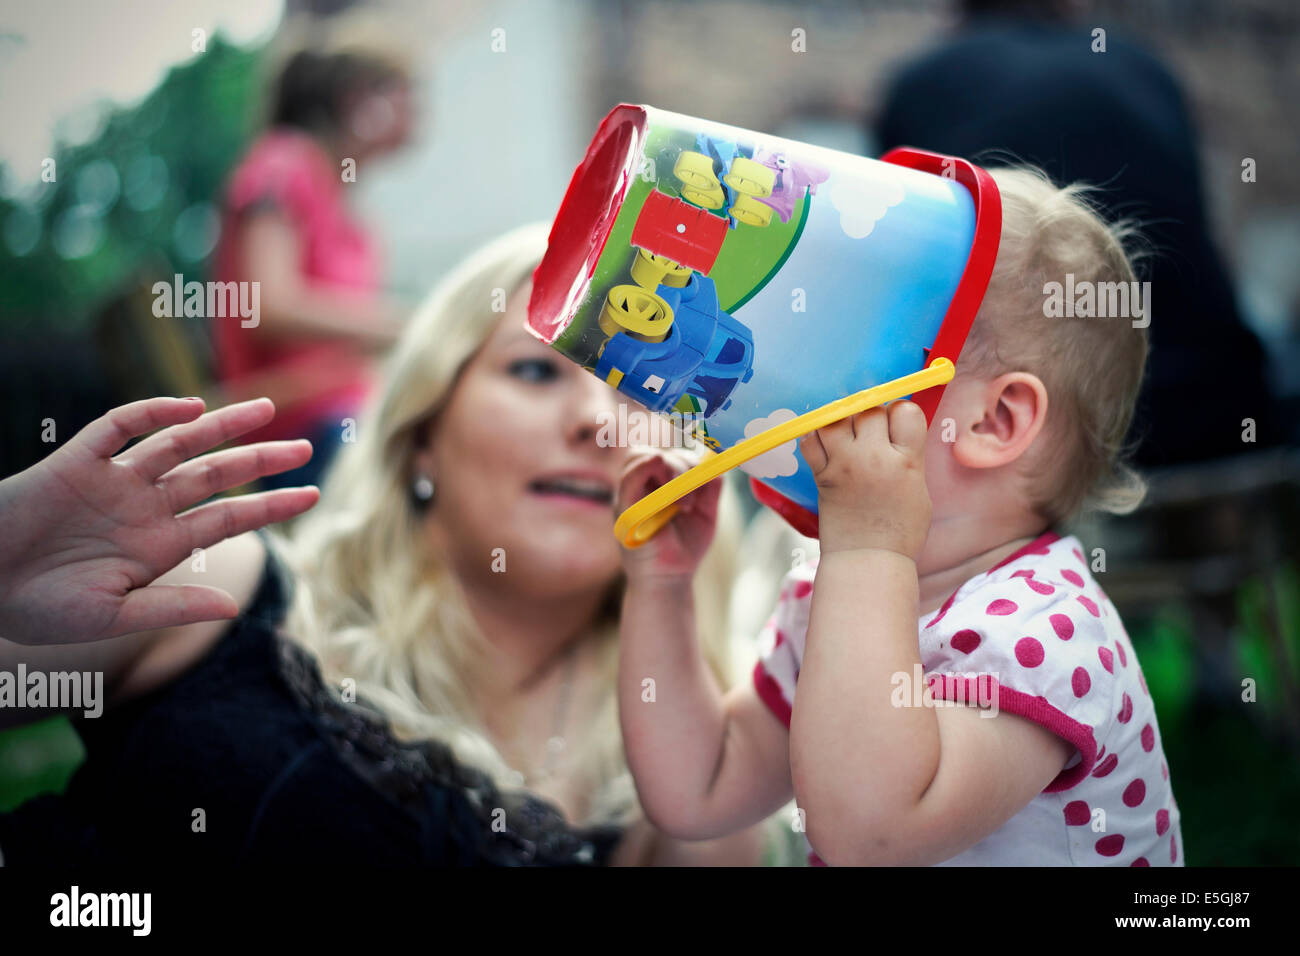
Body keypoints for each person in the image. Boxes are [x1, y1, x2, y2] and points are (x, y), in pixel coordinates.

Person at [0, 225, 763, 866]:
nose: (599, 422)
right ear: (422, 435)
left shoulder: (694, 789)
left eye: (644, 392)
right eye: (535, 371)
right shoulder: (220, 590)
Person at [614, 168, 1183, 866]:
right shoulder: (836, 599)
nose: (818, 378)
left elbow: (871, 832)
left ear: (993, 421)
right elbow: (699, 789)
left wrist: (865, 550)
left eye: (857, 346)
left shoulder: (1045, 637)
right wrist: (663, 588)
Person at [873, 0, 1281, 466]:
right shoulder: (1145, 68)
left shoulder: (925, 82)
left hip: (1033, 436)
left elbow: (901, 271)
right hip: (1215, 404)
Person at [211, 27, 414, 489]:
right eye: (403, 92)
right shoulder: (283, 164)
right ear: (355, 100)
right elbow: (268, 305)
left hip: (336, 422)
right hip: (295, 435)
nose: (416, 108)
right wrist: (406, 324)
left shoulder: (346, 205)